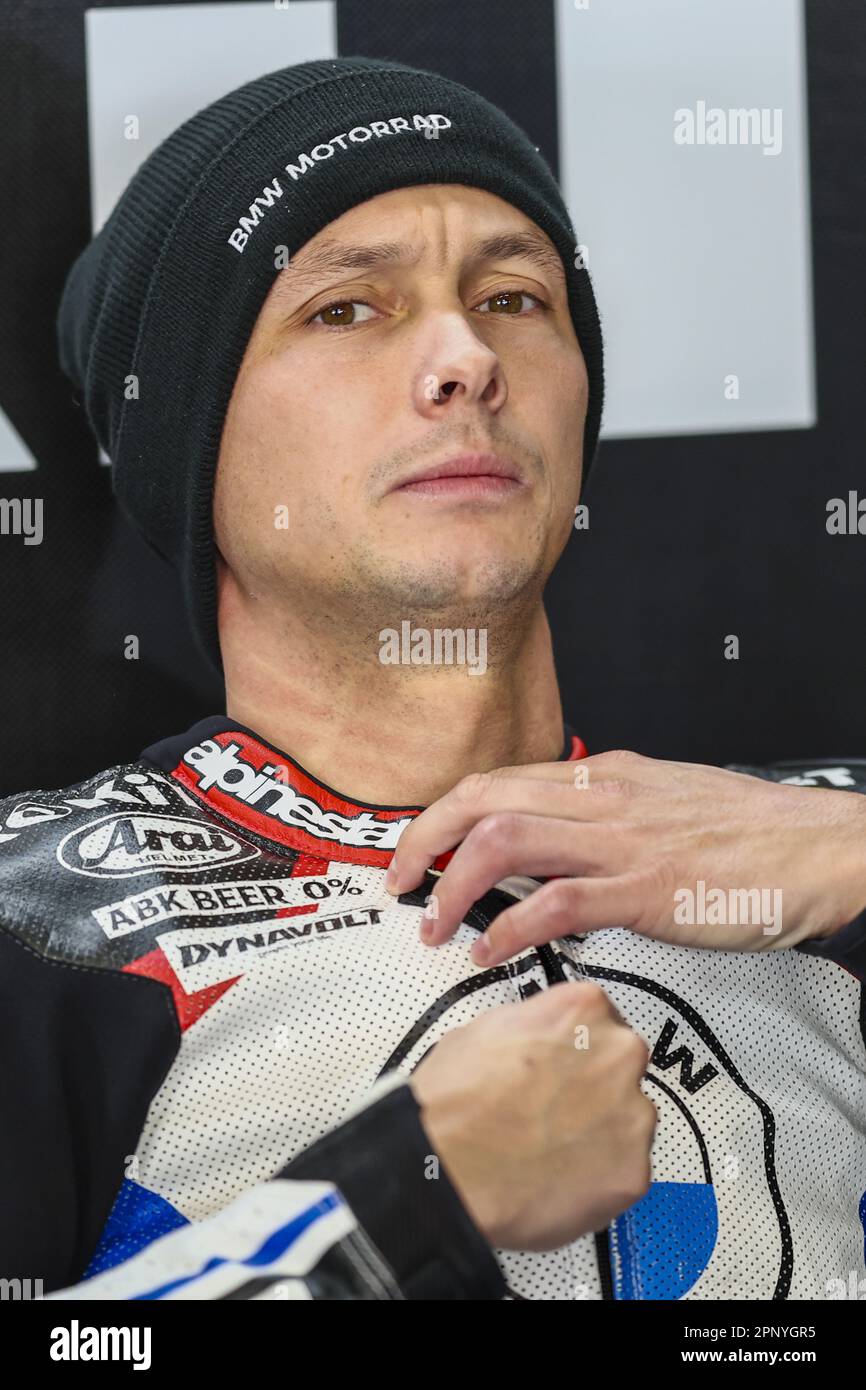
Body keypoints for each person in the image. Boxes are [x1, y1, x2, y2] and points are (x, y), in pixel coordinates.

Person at [9, 55, 865, 1301]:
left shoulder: (810, 861)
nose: (464, 357)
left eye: (515, 297)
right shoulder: (42, 928)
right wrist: (397, 1208)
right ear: (188, 443)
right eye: (344, 309)